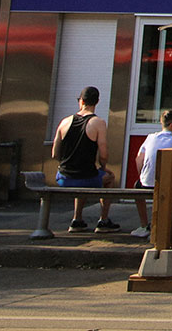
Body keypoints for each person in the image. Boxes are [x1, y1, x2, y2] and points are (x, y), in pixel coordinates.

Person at [51, 85, 118, 233]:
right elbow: (103, 154)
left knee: (82, 178)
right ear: (97, 102)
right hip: (87, 177)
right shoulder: (98, 123)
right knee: (109, 178)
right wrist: (103, 167)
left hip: (63, 177)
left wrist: (65, 164)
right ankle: (103, 221)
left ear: (81, 101)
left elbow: (55, 154)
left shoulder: (64, 122)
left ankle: (77, 219)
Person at [129, 109, 172, 238]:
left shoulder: (150, 137)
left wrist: (143, 176)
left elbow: (139, 160)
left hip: (145, 182)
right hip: (164, 183)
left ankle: (144, 225)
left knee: (137, 186)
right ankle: (160, 225)